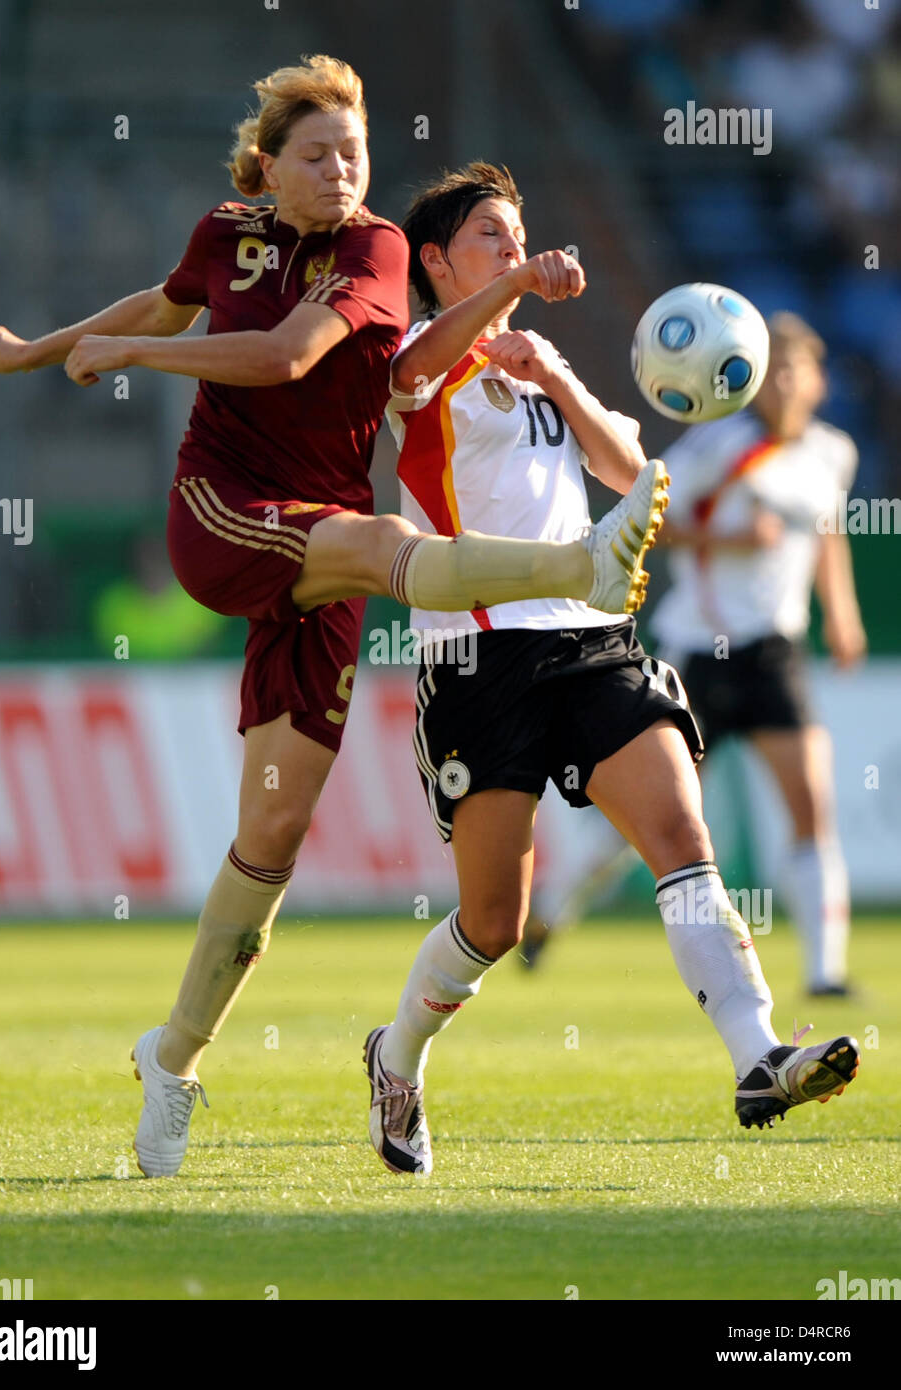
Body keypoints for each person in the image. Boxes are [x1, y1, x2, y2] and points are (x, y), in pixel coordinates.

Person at [0, 60, 663, 1179]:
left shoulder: (376, 250)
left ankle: (172, 1059)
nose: (343, 171)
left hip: (315, 551)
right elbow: (164, 298)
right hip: (224, 511)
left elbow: (286, 352)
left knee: (272, 840)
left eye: (355, 150)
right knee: (384, 547)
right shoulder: (225, 229)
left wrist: (131, 354)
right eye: (318, 153)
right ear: (265, 166)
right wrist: (40, 349)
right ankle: (581, 560)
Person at [363, 164, 859, 1176]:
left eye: (516, 235)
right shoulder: (419, 357)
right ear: (435, 260)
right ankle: (397, 1053)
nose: (512, 250)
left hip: (589, 638)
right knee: (492, 921)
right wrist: (510, 297)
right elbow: (408, 378)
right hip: (476, 656)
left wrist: (552, 372)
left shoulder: (526, 357)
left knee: (679, 834)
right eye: (491, 238)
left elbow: (634, 479)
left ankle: (755, 1054)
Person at [649, 312, 867, 996]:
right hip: (695, 651)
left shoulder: (833, 452)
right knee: (664, 816)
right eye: (770, 369)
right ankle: (553, 915)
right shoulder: (715, 445)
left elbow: (827, 536)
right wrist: (732, 540)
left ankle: (825, 973)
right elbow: (651, 524)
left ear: (816, 382)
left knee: (811, 808)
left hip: (775, 649)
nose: (782, 382)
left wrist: (843, 615)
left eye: (794, 369)